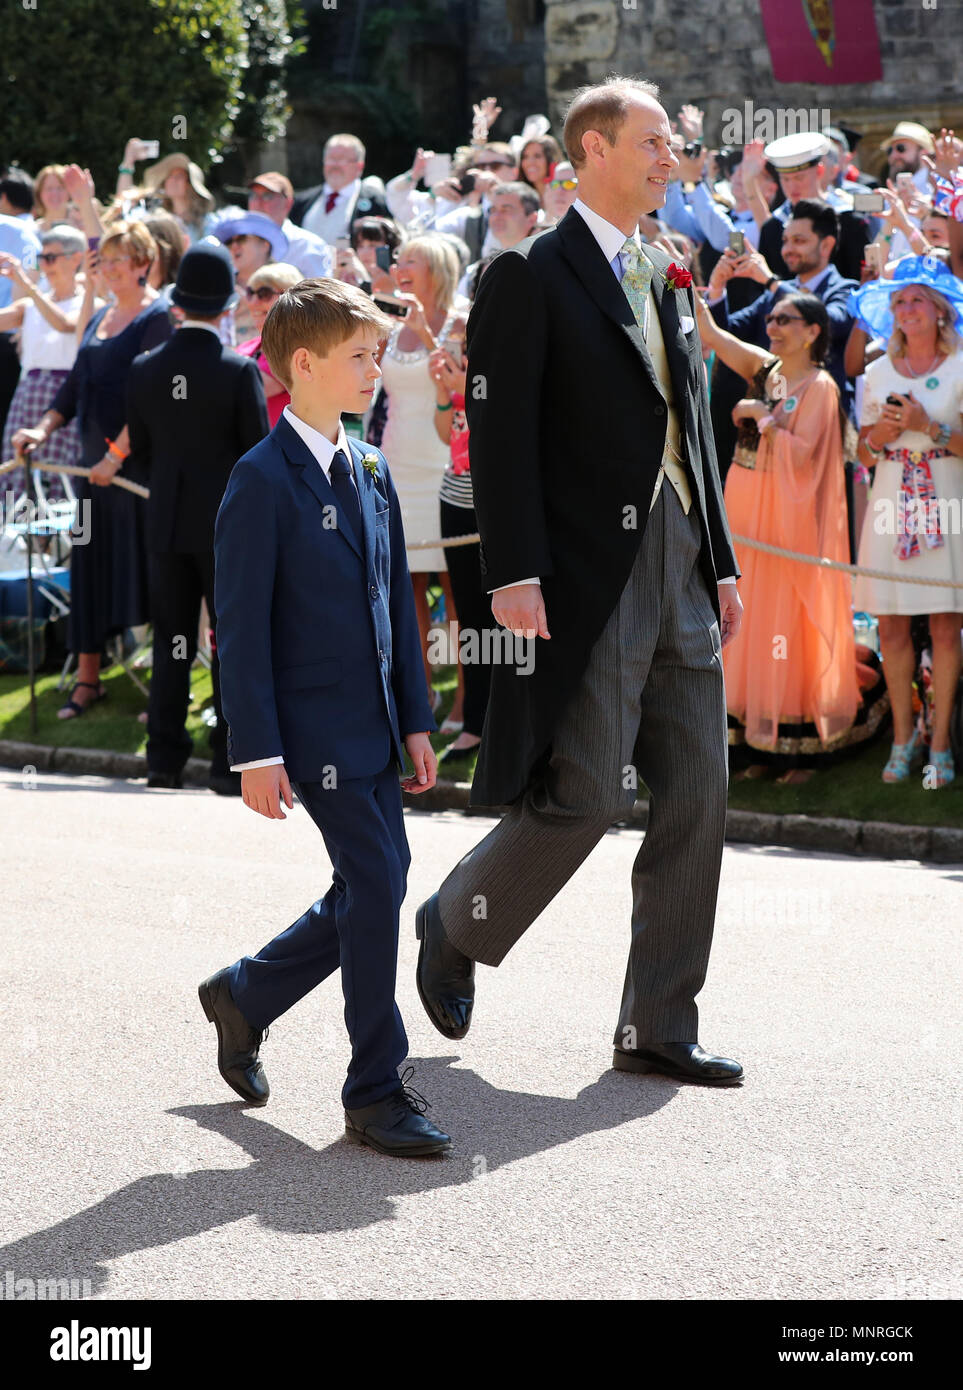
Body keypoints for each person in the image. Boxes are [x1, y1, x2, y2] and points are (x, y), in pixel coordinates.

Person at [414, 76, 745, 1088]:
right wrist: (510, 568)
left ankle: (658, 1022)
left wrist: (721, 558)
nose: (668, 158)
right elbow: (500, 432)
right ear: (589, 150)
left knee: (698, 791)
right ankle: (456, 917)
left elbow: (690, 423)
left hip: (681, 558)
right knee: (588, 793)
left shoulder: (669, 266)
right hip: (582, 568)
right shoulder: (527, 273)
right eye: (651, 142)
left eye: (671, 145)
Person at [201, 277, 450, 1157]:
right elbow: (241, 627)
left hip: (377, 726)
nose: (374, 367)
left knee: (372, 882)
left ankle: (245, 995)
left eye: (377, 353)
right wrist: (256, 750)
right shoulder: (259, 480)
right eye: (359, 355)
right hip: (311, 735)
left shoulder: (372, 466)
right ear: (302, 366)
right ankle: (374, 1089)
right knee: (379, 884)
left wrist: (416, 719)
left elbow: (395, 605)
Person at [695, 290, 884, 780]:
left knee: (785, 623)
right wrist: (686, 286)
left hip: (786, 522)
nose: (773, 325)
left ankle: (799, 748)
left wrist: (763, 420)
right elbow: (713, 335)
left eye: (785, 319)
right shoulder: (770, 372)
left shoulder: (819, 386)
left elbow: (808, 459)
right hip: (747, 512)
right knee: (750, 618)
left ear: (813, 331)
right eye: (773, 317)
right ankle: (755, 741)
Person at [12, 220, 172, 716]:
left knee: (152, 577)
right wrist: (42, 428)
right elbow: (73, 388)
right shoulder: (100, 315)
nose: (109, 268)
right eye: (105, 260)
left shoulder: (158, 317)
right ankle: (87, 680)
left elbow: (152, 400)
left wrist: (116, 455)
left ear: (144, 264)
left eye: (120, 260)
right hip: (90, 475)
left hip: (136, 473)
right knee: (87, 568)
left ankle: (167, 690)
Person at [125, 241, 269, 794]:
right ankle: (227, 764)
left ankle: (162, 758)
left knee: (173, 642)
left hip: (164, 522)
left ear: (179, 302)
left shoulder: (144, 369)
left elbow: (139, 449)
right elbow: (255, 454)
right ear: (227, 304)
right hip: (225, 528)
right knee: (231, 642)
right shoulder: (237, 371)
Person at [850, 256, 963, 788]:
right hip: (890, 496)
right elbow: (862, 453)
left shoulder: (962, 362)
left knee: (945, 622)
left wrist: (929, 428)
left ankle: (939, 745)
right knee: (891, 624)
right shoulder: (877, 372)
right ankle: (902, 739)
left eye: (916, 298)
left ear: (940, 309)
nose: (906, 308)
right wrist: (883, 435)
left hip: (946, 496)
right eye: (898, 301)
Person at [375, 233, 465, 715]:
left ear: (438, 269)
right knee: (404, 587)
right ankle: (422, 696)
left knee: (456, 588)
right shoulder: (387, 324)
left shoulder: (461, 319)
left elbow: (450, 376)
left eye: (412, 260)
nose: (401, 266)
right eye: (399, 260)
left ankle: (464, 699)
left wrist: (423, 329)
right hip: (396, 460)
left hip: (444, 463)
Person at [0, 224, 86, 501]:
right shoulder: (30, 305)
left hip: (65, 403)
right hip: (28, 396)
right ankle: (19, 543)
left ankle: (67, 544)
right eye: (42, 258)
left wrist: (27, 285)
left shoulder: (89, 303)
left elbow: (64, 325)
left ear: (76, 258)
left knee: (64, 482)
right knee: (17, 482)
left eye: (52, 257)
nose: (46, 265)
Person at [758, 133, 871, 282]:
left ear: (819, 171)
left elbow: (858, 277)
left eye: (799, 178)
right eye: (785, 179)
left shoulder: (848, 219)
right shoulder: (773, 227)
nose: (792, 187)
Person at [237, 262, 303, 428]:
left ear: (290, 297)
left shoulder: (296, 348)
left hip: (281, 450)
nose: (253, 302)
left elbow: (253, 389)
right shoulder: (248, 346)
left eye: (264, 294)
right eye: (250, 293)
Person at [210, 209, 289, 341]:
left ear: (265, 245)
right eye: (229, 242)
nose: (234, 246)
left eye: (242, 238)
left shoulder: (285, 283)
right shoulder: (217, 285)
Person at [290, 134, 389, 240]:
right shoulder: (301, 202)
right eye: (331, 158)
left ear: (359, 166)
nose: (335, 165)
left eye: (342, 159)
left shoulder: (376, 202)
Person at [246, 172, 333, 279]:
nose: (258, 202)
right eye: (253, 195)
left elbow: (320, 293)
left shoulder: (310, 246)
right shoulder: (235, 243)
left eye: (267, 196)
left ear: (288, 203)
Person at [139, 153, 216, 244]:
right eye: (169, 176)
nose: (172, 180)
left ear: (191, 186)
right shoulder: (157, 218)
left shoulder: (207, 222)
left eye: (179, 176)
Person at [31, 165, 71, 234]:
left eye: (60, 188)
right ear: (39, 193)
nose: (55, 193)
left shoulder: (81, 228)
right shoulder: (32, 231)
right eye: (49, 188)